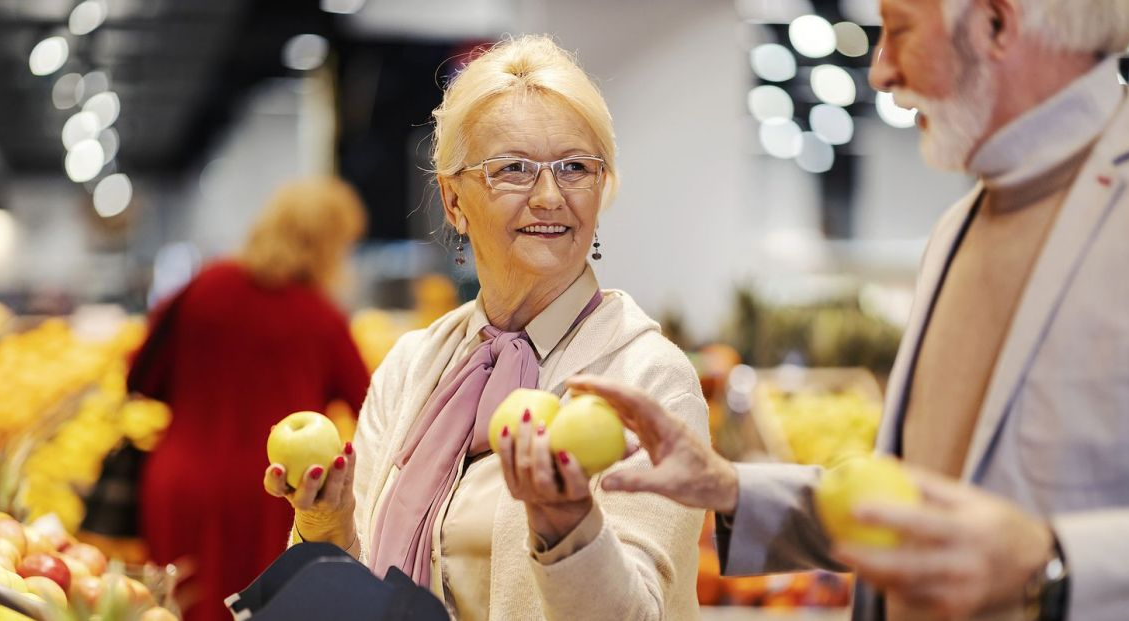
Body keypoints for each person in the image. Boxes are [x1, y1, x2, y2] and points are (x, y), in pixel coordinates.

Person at [569, 0, 1129, 619]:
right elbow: (915, 503)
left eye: (901, 31)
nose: (880, 72)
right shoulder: (958, 228)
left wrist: (1053, 567)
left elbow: (1024, 549)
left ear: (996, 24)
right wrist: (730, 488)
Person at [263, 35, 709, 620]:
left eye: (575, 167)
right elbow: (360, 599)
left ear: (601, 189)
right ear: (453, 201)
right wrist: (326, 527)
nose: (550, 196)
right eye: (513, 170)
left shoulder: (649, 381)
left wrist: (570, 527)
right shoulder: (412, 367)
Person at [128, 177, 372, 621]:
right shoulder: (320, 317)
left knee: (173, 609)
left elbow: (141, 373)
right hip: (270, 496)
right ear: (326, 246)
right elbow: (372, 407)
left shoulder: (204, 285)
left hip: (181, 482)